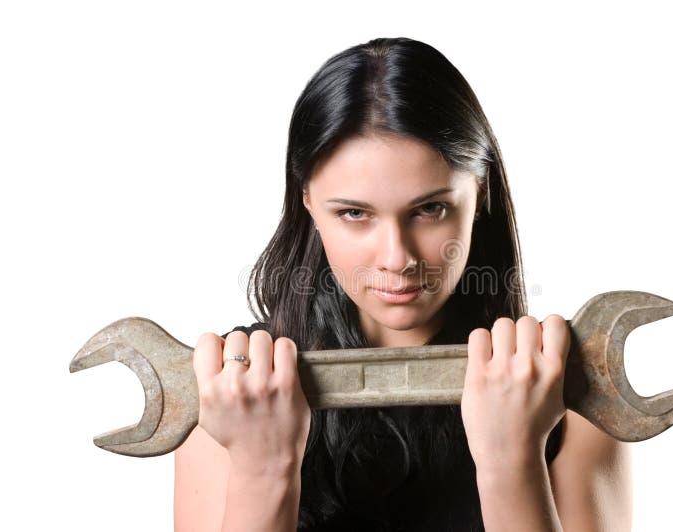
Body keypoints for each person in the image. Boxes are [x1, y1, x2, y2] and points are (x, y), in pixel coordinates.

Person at [174, 37, 632, 531]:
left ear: (480, 191)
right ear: (306, 199)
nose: (397, 259)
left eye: (429, 209)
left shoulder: (575, 388)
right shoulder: (227, 390)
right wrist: (262, 470)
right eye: (354, 213)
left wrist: (512, 461)